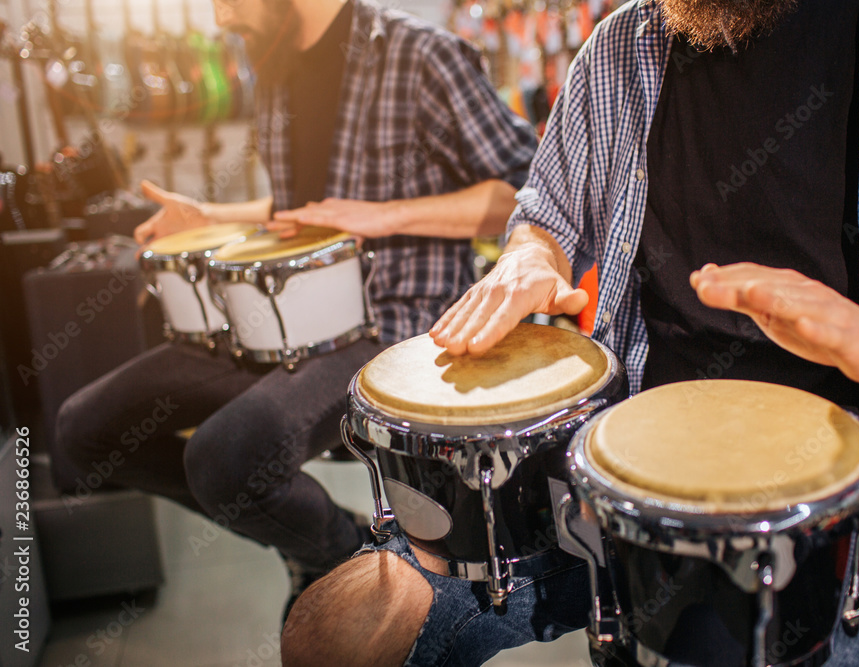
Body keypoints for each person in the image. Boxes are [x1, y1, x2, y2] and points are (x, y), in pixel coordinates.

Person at [282, 0, 859, 665]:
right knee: (337, 628)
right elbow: (546, 211)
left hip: (843, 521)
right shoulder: (624, 46)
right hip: (623, 469)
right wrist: (532, 258)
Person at [53, 0, 537, 618]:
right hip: (281, 324)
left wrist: (384, 214)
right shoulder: (276, 64)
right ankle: (341, 551)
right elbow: (303, 209)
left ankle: (368, 571)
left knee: (225, 457)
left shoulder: (422, 54)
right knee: (83, 429)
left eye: (228, 1)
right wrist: (213, 217)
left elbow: (526, 191)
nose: (221, 17)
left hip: (388, 318)